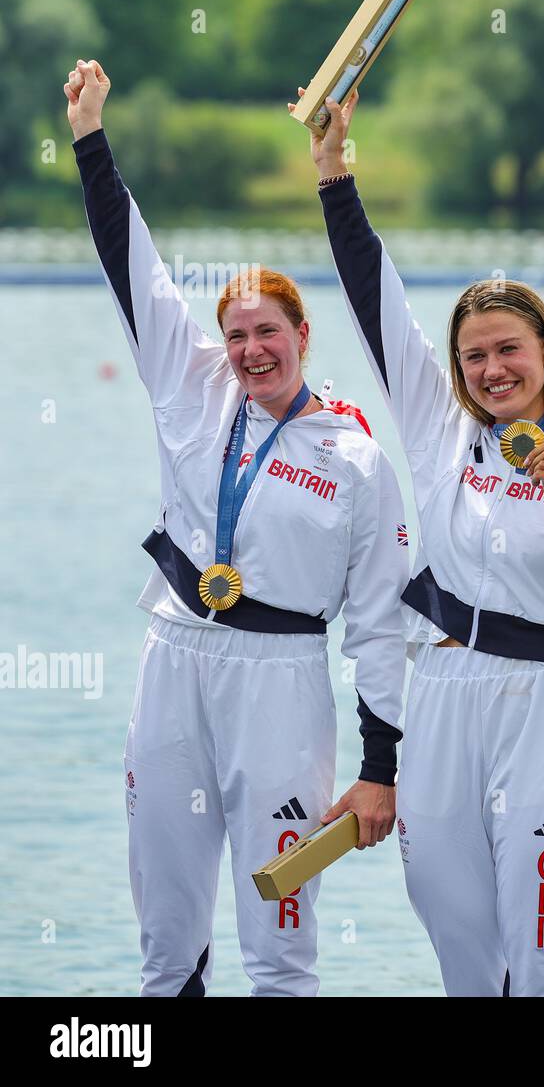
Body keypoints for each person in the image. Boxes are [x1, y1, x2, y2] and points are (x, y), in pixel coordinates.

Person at [297, 89, 544, 997]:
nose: (492, 369)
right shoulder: (441, 433)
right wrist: (333, 174)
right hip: (443, 698)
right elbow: (374, 298)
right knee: (459, 942)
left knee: (541, 950)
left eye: (508, 349)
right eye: (474, 357)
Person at [65, 60, 409, 997]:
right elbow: (130, 262)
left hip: (285, 686)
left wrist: (381, 765)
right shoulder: (192, 383)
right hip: (174, 656)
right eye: (238, 333)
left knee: (280, 944)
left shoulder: (356, 456)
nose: (253, 350)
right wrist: (91, 135)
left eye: (271, 333)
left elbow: (381, 624)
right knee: (167, 936)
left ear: (304, 336)